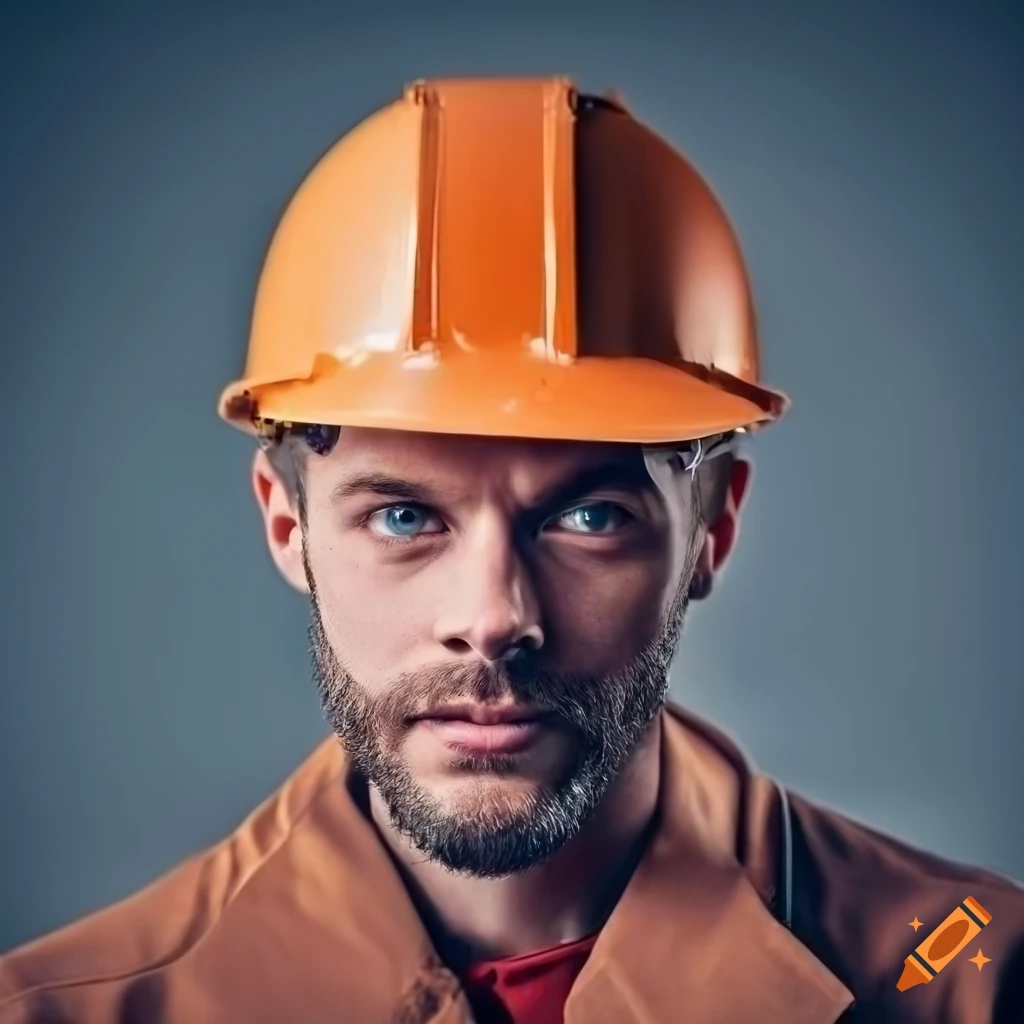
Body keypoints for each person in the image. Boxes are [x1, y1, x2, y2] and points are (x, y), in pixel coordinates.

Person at [0, 76, 1021, 1024]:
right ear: (286, 523)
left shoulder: (981, 983)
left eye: (587, 518)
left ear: (711, 527)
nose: (491, 616)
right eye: (405, 519)